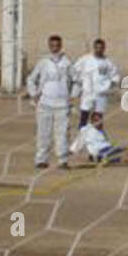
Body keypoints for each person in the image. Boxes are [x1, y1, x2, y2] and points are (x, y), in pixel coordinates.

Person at [26, 34, 74, 171]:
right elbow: (31, 79)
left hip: (62, 104)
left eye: (57, 45)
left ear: (61, 45)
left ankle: (63, 160)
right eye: (52, 45)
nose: (55, 48)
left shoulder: (67, 62)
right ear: (49, 46)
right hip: (45, 103)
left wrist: (73, 95)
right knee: (43, 132)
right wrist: (34, 94)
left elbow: (76, 80)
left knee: (63, 133)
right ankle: (41, 159)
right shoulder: (43, 62)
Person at [71, 38, 120, 129]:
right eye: (97, 48)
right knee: (84, 118)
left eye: (101, 48)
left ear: (104, 48)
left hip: (101, 95)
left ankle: (97, 140)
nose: (99, 50)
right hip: (88, 93)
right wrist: (79, 83)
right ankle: (82, 138)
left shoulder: (108, 62)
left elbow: (115, 75)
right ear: (94, 48)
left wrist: (110, 85)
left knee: (98, 120)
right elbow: (74, 71)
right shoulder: (85, 59)